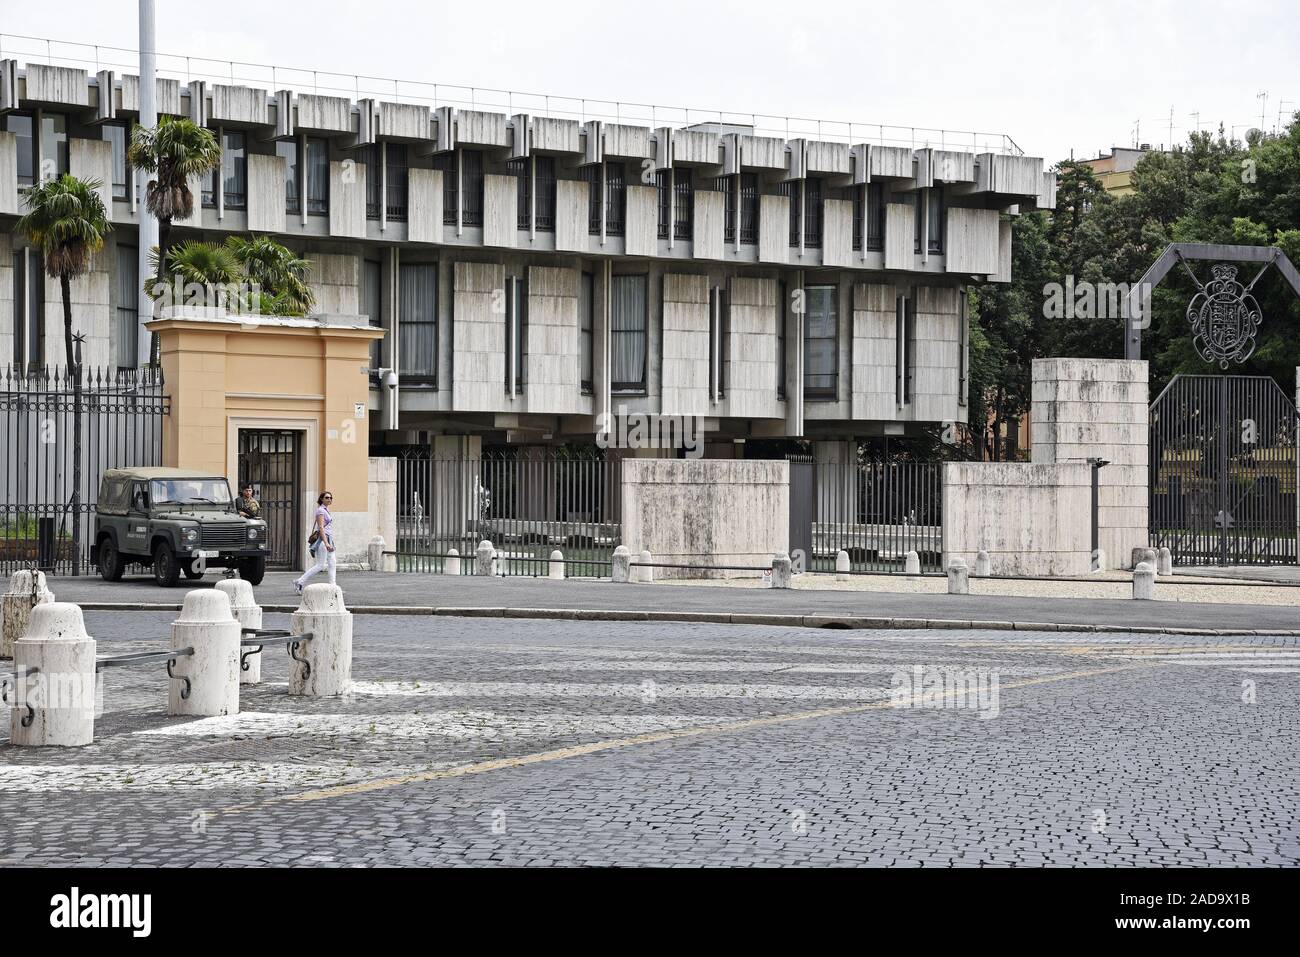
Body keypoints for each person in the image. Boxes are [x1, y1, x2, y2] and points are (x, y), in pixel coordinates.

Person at [295, 491, 336, 592]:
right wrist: (326, 543)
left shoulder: (325, 510)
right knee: (320, 565)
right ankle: (300, 581)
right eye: (327, 497)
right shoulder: (321, 511)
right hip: (323, 540)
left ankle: (333, 585)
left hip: (329, 538)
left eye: (331, 498)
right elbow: (321, 528)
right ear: (322, 499)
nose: (329, 499)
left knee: (332, 562)